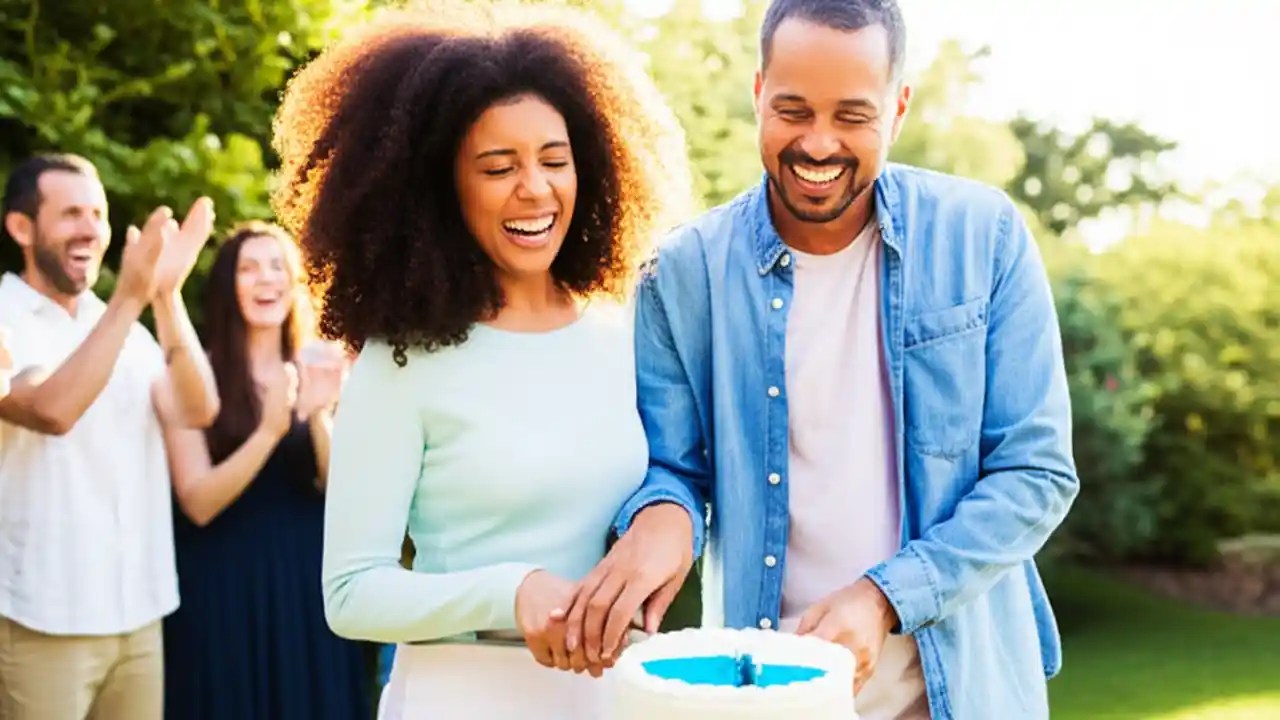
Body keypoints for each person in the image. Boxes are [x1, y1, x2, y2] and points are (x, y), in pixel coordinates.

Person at [565, 1, 1080, 719]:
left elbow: (1036, 472)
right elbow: (675, 470)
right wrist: (660, 516)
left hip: (961, 691)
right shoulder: (683, 273)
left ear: (898, 109)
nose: (817, 143)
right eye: (793, 110)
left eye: (852, 116)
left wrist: (884, 598)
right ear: (757, 95)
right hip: (767, 696)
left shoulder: (983, 237)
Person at [269, 3, 691, 719]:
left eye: (555, 161)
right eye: (499, 167)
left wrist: (672, 518)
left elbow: (676, 475)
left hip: (611, 699)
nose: (535, 188)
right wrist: (512, 592)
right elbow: (350, 594)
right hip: (460, 696)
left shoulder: (625, 333)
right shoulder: (402, 362)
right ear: (442, 188)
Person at [0, 153, 220, 719]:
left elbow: (197, 408)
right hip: (41, 620)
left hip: (139, 615)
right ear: (22, 228)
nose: (91, 229)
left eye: (97, 214)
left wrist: (166, 297)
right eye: (71, 213)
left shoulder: (128, 330)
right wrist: (129, 298)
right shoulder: (6, 317)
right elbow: (52, 411)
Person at [158, 222, 369, 719]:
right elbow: (198, 502)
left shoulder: (325, 363)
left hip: (304, 585)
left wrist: (318, 414)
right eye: (248, 268)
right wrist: (268, 433)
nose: (265, 279)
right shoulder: (195, 375)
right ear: (227, 286)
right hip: (222, 585)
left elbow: (342, 492)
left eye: (278, 266)